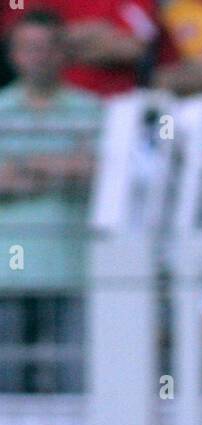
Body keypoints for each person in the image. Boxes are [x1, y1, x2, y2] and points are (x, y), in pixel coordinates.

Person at [0, 10, 102, 395]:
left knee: (76, 392)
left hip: (73, 271)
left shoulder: (91, 109)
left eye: (48, 47)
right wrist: (62, 166)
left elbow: (97, 172)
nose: (38, 57)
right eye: (29, 48)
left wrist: (22, 164)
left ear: (65, 53)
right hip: (7, 277)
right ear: (13, 54)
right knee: (5, 398)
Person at [0, 0, 160, 99]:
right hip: (39, 104)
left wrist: (57, 42)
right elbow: (18, 39)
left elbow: (135, 48)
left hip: (114, 105)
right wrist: (97, 35)